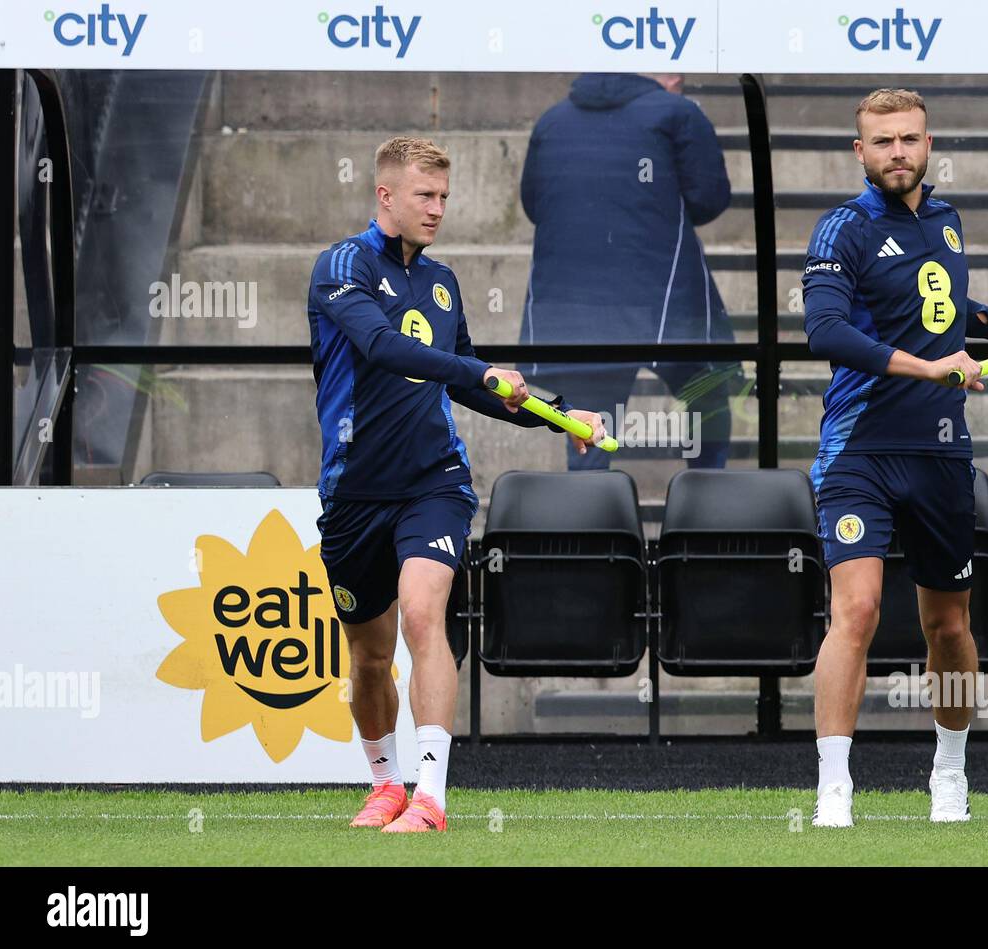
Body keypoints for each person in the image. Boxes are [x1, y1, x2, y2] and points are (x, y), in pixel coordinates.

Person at [801, 89, 988, 827]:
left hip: (941, 454)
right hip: (860, 453)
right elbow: (828, 332)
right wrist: (929, 367)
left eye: (909, 139)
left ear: (929, 142)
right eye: (882, 142)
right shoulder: (840, 229)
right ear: (860, 152)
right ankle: (834, 789)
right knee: (859, 609)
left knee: (949, 625)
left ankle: (949, 775)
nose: (897, 153)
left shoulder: (944, 221)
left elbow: (951, 310)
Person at [307, 136, 605, 833]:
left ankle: (432, 798)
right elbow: (385, 348)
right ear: (386, 196)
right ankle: (385, 784)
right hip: (353, 490)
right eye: (424, 195)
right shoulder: (340, 266)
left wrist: (560, 416)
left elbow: (468, 377)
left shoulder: (442, 281)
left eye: (444, 196)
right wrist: (478, 373)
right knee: (370, 654)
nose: (438, 208)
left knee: (422, 614)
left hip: (433, 480)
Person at [520, 72, 736, 469]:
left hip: (576, 309)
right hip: (665, 302)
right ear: (670, 75)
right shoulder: (678, 112)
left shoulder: (552, 120)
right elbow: (710, 198)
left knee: (588, 433)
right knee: (709, 399)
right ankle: (707, 516)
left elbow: (535, 205)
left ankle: (588, 528)